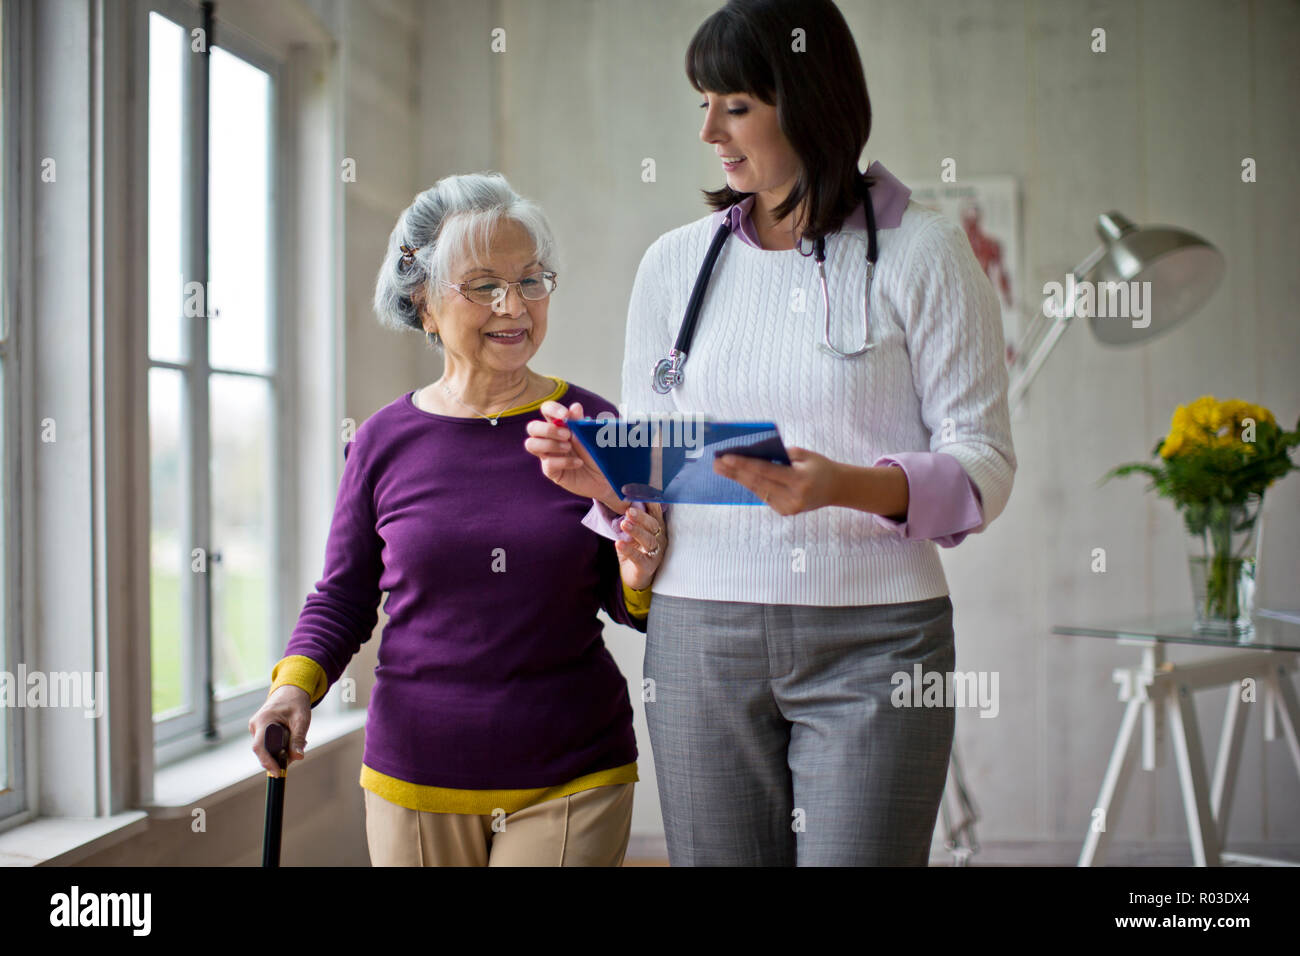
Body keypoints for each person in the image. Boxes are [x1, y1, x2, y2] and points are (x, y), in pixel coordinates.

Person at [526, 0, 1015, 865]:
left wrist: (846, 485)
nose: (710, 128)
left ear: (811, 98)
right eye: (703, 102)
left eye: (738, 104)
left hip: (879, 641)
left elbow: (983, 466)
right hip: (698, 636)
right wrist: (603, 478)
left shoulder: (924, 252)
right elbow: (662, 474)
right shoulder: (674, 264)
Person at [249, 172, 666, 866]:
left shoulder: (595, 425)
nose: (515, 305)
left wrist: (639, 571)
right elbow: (345, 596)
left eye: (532, 280)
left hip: (572, 765)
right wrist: (292, 693)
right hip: (414, 770)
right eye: (483, 285)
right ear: (425, 304)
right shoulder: (382, 439)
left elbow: (637, 607)